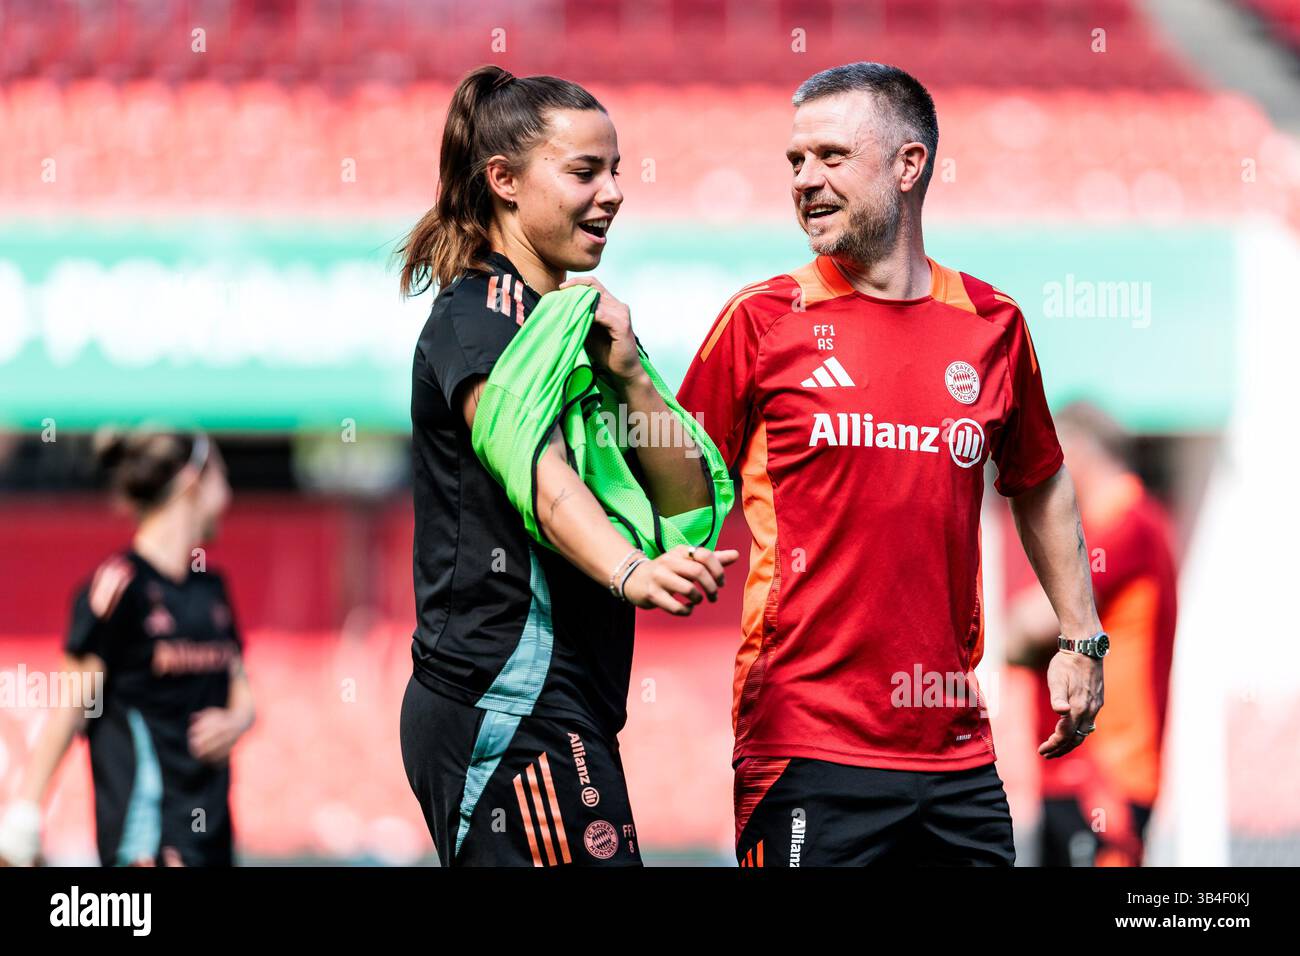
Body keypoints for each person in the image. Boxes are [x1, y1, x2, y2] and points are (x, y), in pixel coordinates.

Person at [677, 62, 1106, 866]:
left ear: (909, 166)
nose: (805, 180)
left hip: (956, 753)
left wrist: (1081, 640)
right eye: (795, 162)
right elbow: (668, 481)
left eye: (831, 156)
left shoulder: (992, 324)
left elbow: (1039, 479)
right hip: (804, 743)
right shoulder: (761, 321)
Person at [397, 65, 738, 867]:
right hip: (507, 699)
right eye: (585, 171)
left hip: (561, 705)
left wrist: (630, 374)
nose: (614, 191)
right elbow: (538, 476)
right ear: (505, 181)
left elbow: (688, 498)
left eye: (615, 169)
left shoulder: (580, 326)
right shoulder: (482, 315)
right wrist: (628, 570)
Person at [0, 429, 253, 867]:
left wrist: (237, 720)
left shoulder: (214, 589)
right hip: (146, 841)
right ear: (193, 481)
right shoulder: (120, 587)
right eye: (222, 479)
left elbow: (241, 688)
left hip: (212, 839)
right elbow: (74, 704)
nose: (228, 496)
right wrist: (26, 810)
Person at [1006, 402, 1178, 866]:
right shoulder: (1119, 523)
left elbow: (1032, 623)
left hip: (1104, 776)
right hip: (1078, 773)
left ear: (1076, 452)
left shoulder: (1127, 521)